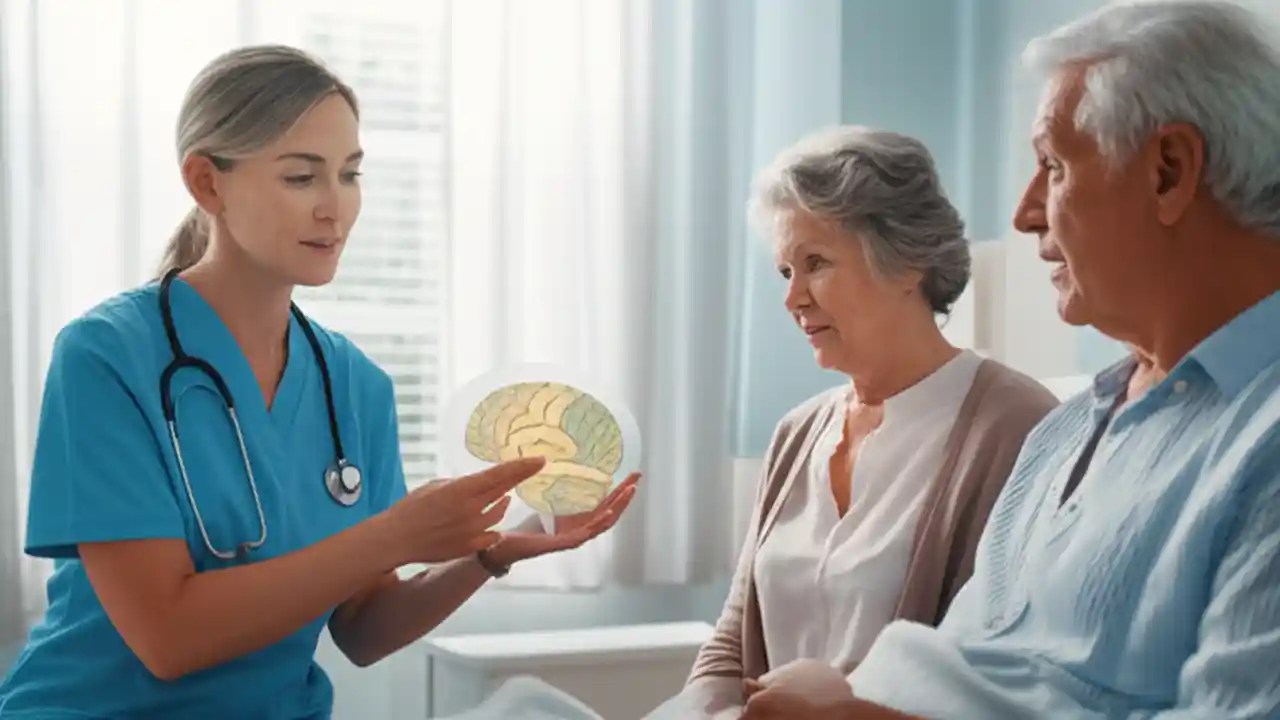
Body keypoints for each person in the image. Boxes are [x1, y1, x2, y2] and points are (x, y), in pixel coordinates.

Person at [0, 45, 638, 718]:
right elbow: (166, 636)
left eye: (350, 174)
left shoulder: (354, 385)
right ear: (207, 184)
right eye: (302, 178)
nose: (337, 209)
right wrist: (395, 533)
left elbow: (363, 627)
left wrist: (487, 556)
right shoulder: (106, 358)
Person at [740, 2, 1280, 718]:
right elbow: (971, 661)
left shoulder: (1258, 438)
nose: (1024, 214)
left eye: (1052, 167)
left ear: (1168, 172)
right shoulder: (1067, 431)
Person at [674, 126, 1059, 718]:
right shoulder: (797, 432)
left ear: (907, 263)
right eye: (785, 272)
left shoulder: (1018, 426)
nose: (792, 298)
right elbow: (731, 639)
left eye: (816, 263)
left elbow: (997, 670)